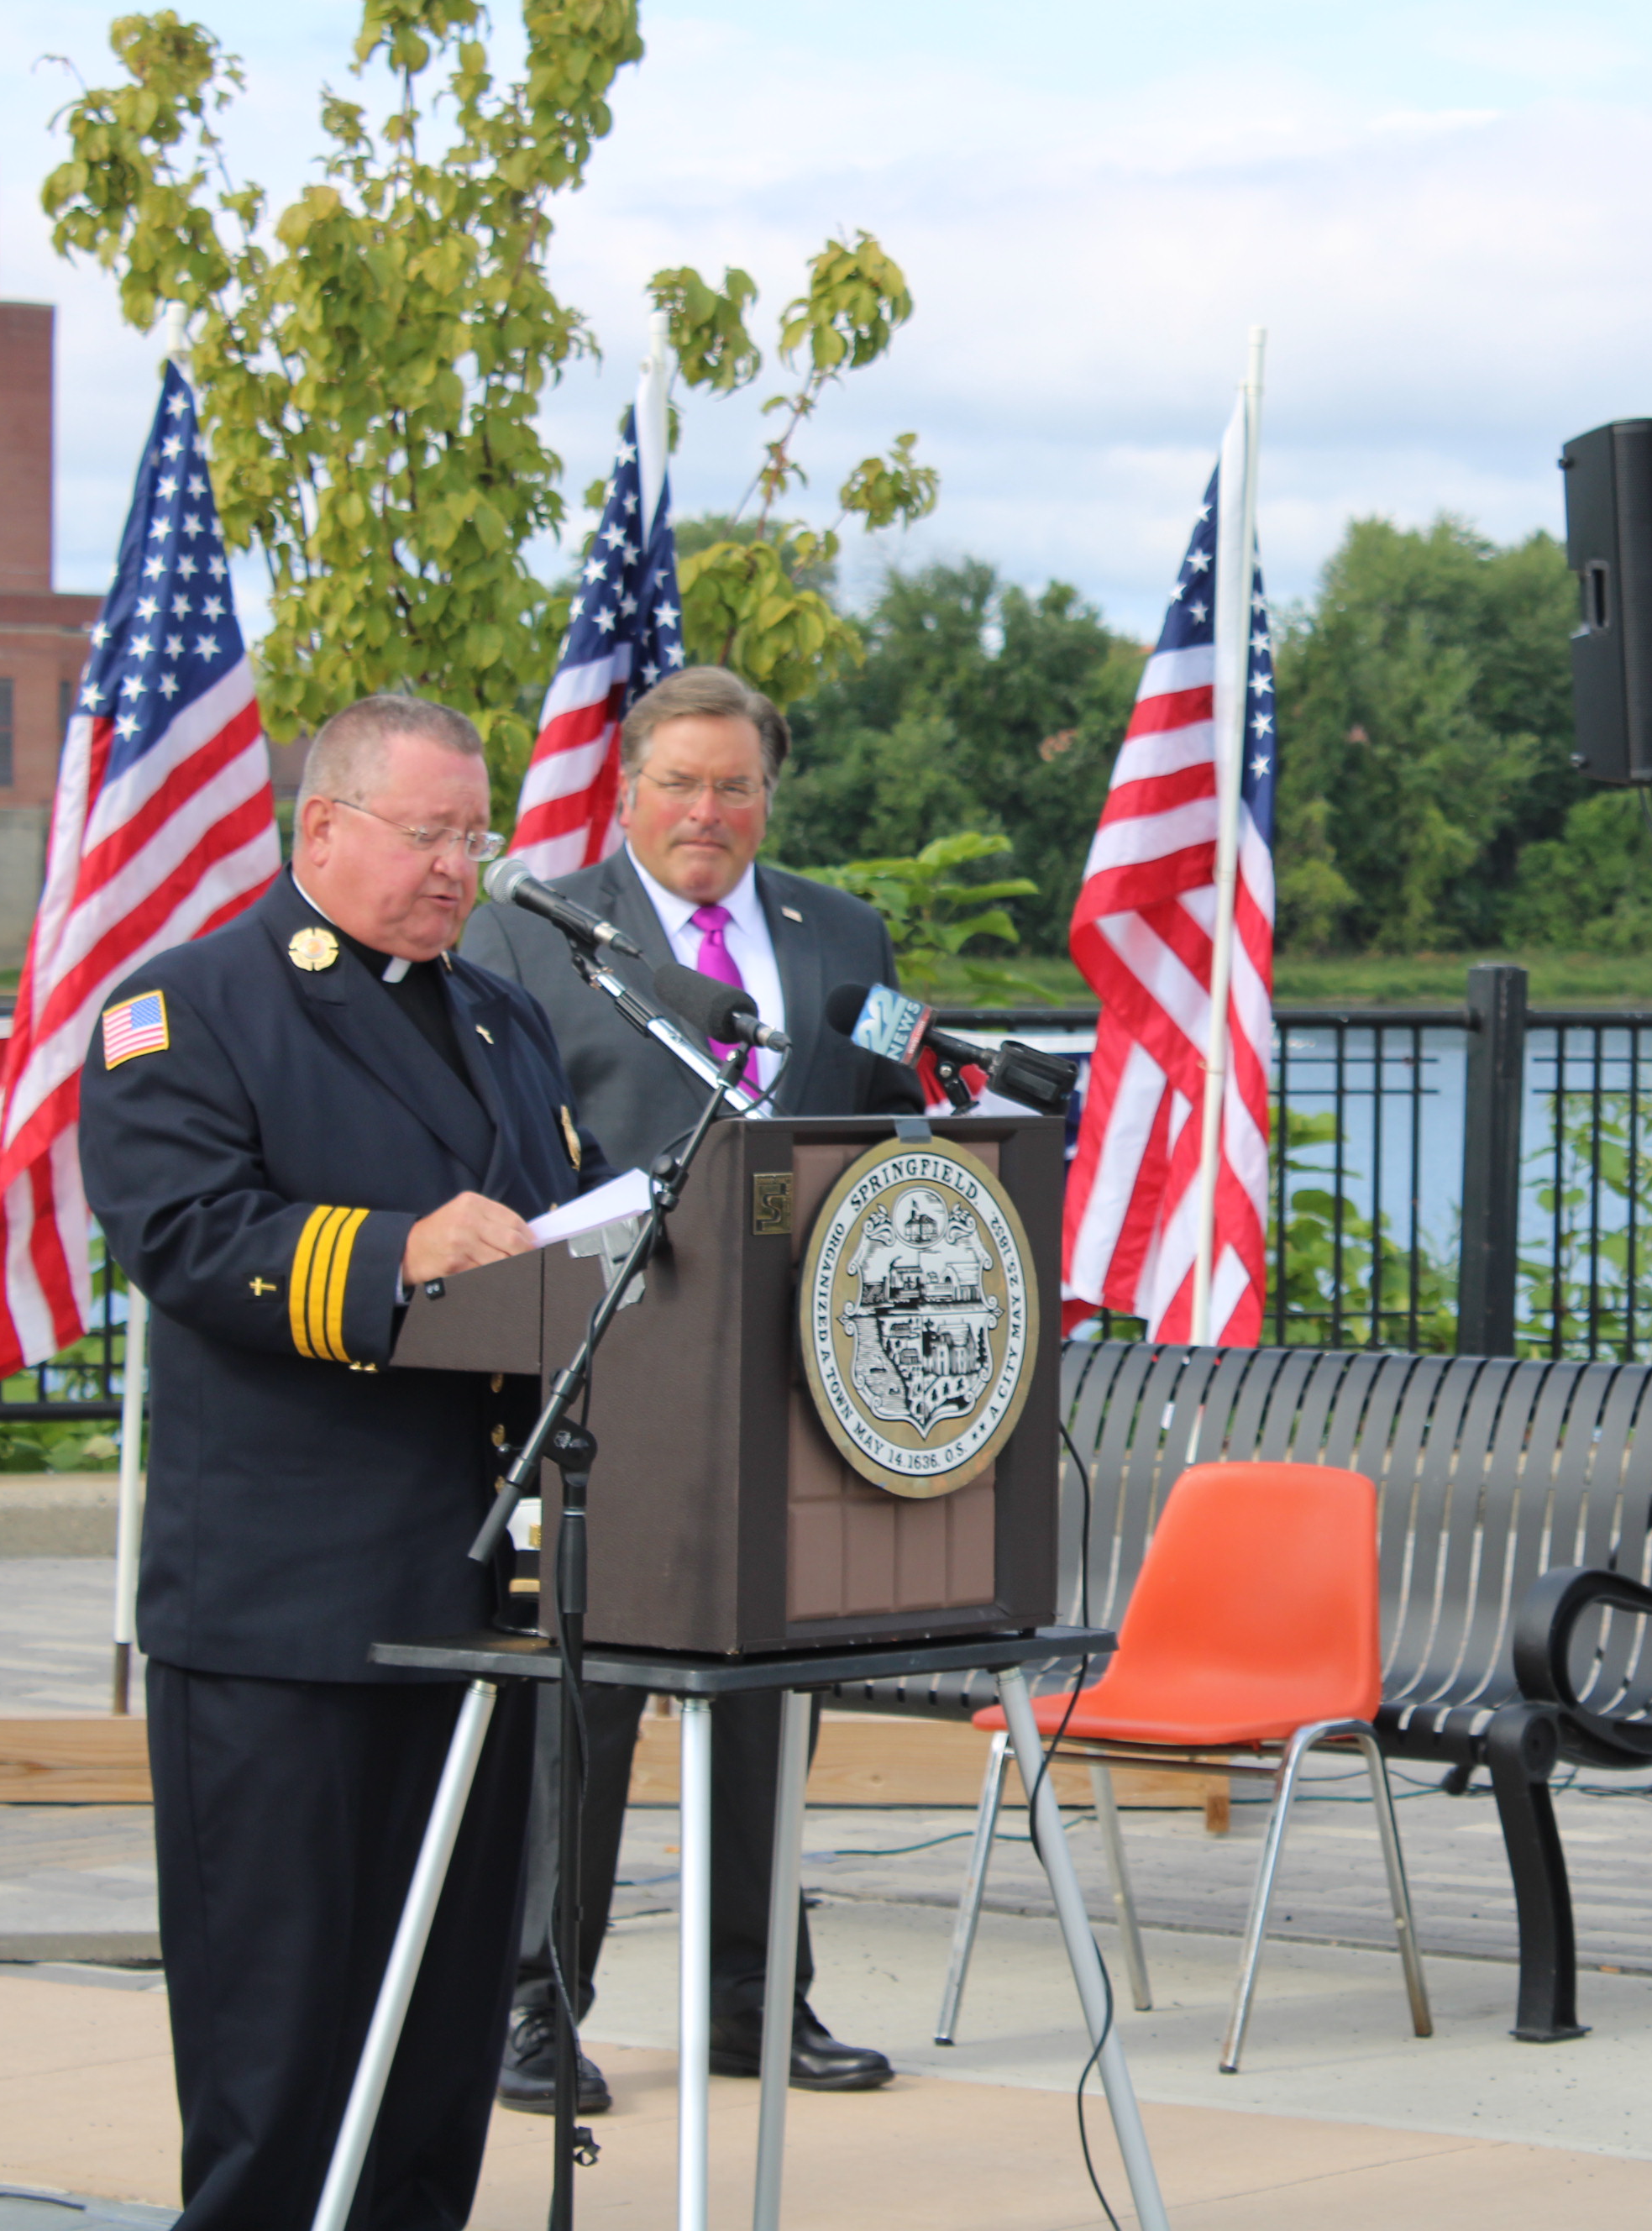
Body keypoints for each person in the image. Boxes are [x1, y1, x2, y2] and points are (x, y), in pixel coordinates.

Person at [81, 693, 592, 2231]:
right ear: (324, 826)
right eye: (426, 834)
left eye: (473, 835)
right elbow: (185, 1235)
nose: (456, 867)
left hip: (469, 1590)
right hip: (284, 1609)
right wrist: (396, 1258)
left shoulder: (506, 1017)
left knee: (436, 2027)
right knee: (280, 2031)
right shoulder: (192, 1008)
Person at [459, 663, 918, 2111]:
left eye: (735, 786)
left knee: (774, 1699)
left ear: (768, 796)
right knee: (580, 1706)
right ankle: (536, 2007)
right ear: (628, 791)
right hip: (610, 1376)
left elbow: (892, 1128)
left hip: (794, 1383)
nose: (707, 812)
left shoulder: (843, 933)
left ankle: (752, 2001)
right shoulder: (534, 938)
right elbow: (490, 1146)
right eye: (681, 784)